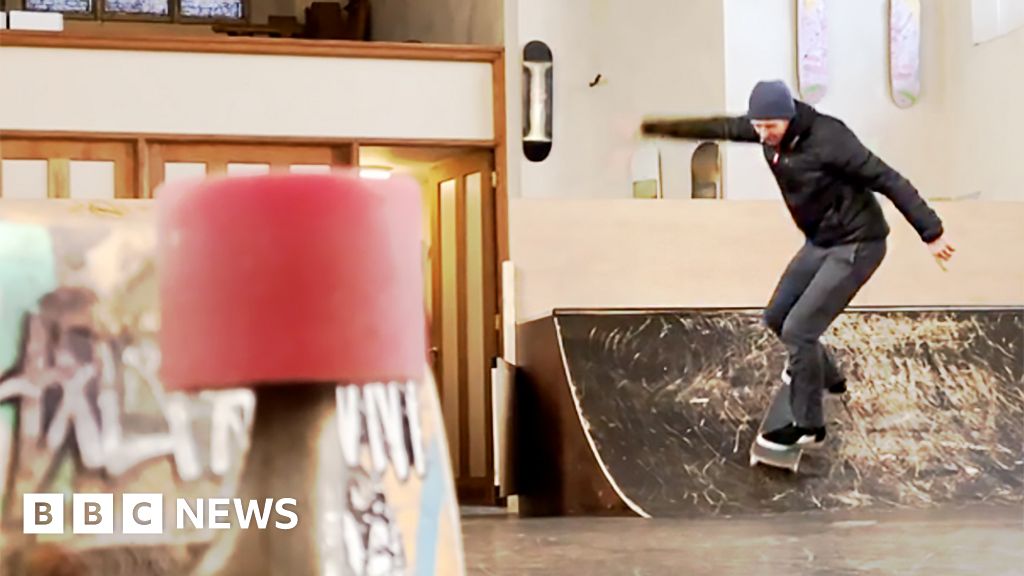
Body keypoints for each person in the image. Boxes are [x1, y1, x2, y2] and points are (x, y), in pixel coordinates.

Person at [640, 80, 955, 450]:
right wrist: (658, 128)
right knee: (776, 317)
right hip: (820, 242)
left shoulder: (831, 139)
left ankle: (808, 426)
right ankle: (827, 377)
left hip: (858, 244)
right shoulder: (763, 131)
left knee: (799, 330)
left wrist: (931, 232)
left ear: (788, 117)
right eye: (757, 127)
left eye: (771, 127)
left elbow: (889, 179)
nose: (763, 135)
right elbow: (721, 127)